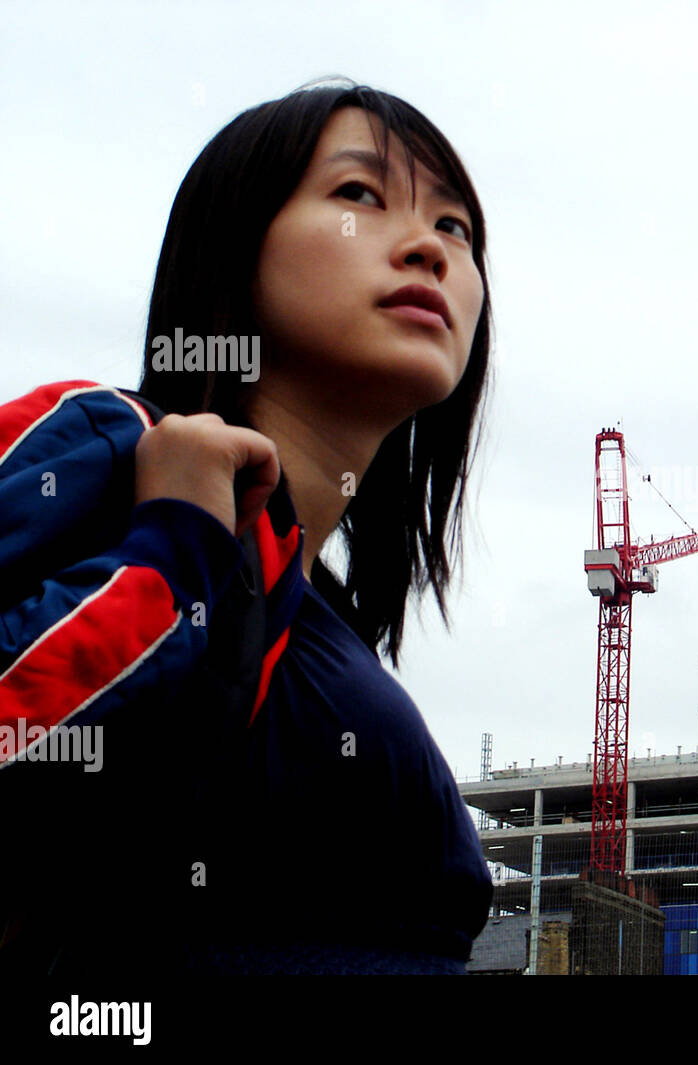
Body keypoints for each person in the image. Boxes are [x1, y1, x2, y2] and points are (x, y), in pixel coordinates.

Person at [0, 80, 494, 974]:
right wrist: (176, 546)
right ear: (234, 244)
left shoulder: (320, 613)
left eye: (457, 229)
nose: (429, 246)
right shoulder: (111, 448)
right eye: (359, 197)